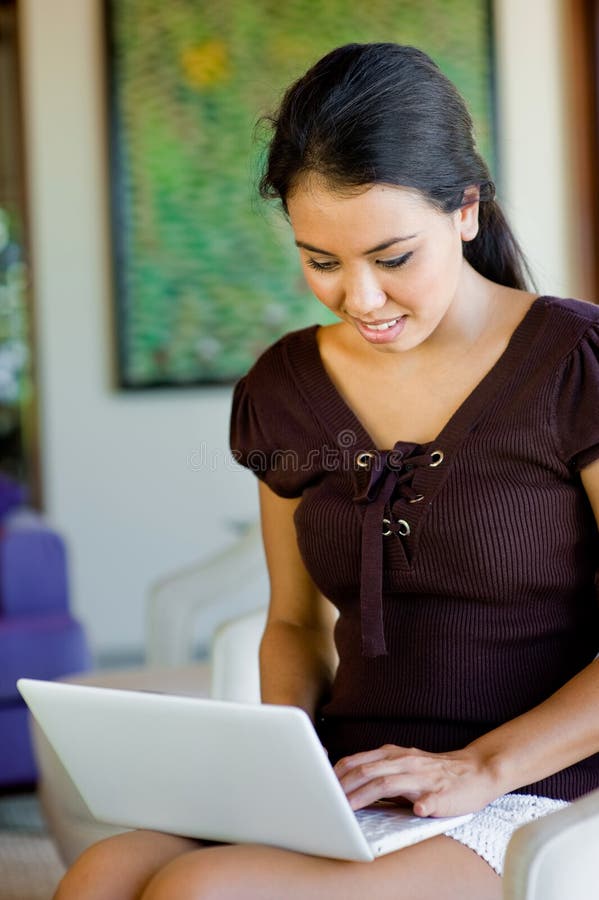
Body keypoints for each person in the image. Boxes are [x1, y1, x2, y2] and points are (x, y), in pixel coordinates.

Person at [54, 42, 599, 900]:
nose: (361, 299)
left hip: (541, 786)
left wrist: (480, 766)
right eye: (321, 262)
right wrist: (279, 774)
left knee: (205, 891)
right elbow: (293, 624)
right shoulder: (283, 387)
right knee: (102, 873)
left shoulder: (576, 363)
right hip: (354, 777)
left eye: (392, 258)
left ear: (465, 210)